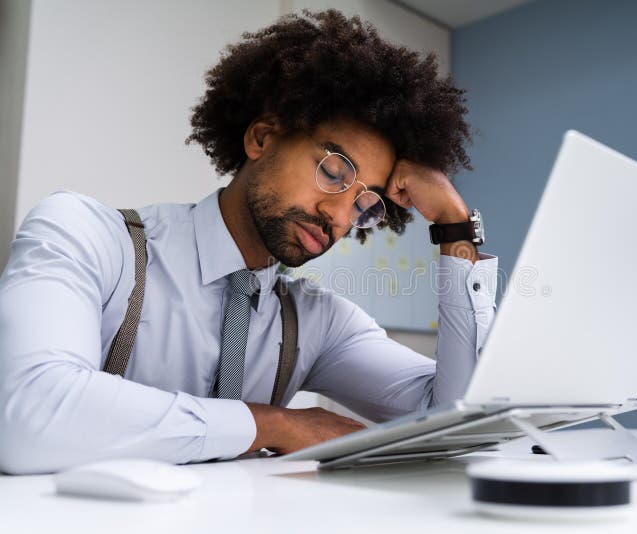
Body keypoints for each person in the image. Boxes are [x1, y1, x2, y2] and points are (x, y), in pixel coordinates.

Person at [0, 10, 497, 475]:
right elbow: (27, 414)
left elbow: (461, 420)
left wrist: (454, 227)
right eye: (334, 171)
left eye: (364, 205)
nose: (339, 218)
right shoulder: (89, 237)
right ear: (261, 139)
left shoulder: (318, 324)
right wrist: (271, 424)